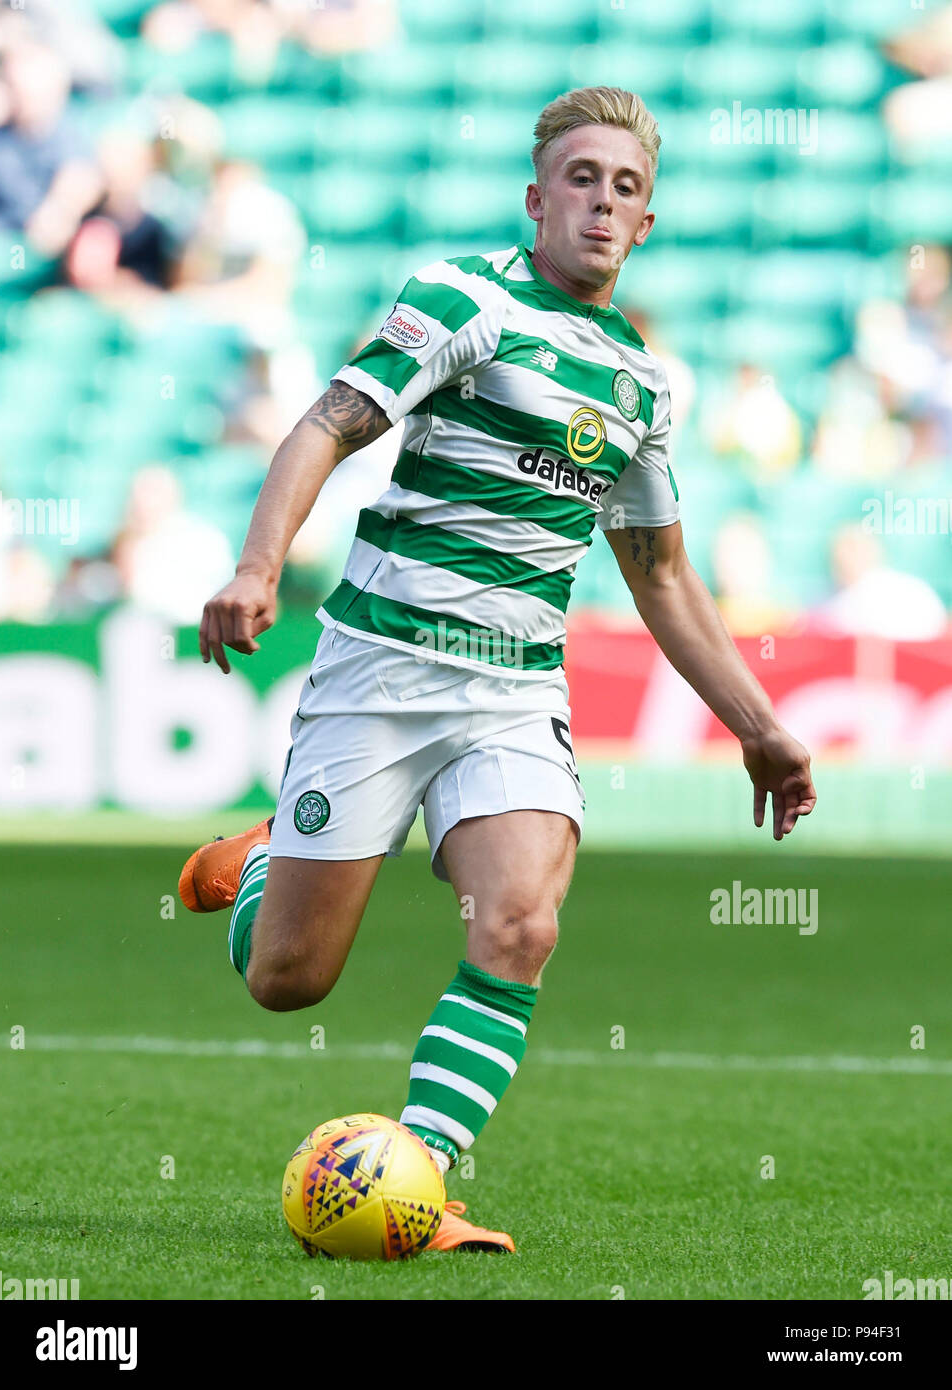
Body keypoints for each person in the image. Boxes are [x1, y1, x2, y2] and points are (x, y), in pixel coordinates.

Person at [178, 87, 817, 1252]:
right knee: (289, 983)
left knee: (521, 923)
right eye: (581, 178)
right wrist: (259, 565)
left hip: (515, 690)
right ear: (537, 198)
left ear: (647, 222)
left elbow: (661, 575)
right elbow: (326, 423)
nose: (602, 202)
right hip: (380, 666)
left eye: (626, 188)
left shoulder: (648, 387)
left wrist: (759, 724)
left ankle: (416, 1184)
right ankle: (268, 860)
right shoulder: (461, 298)